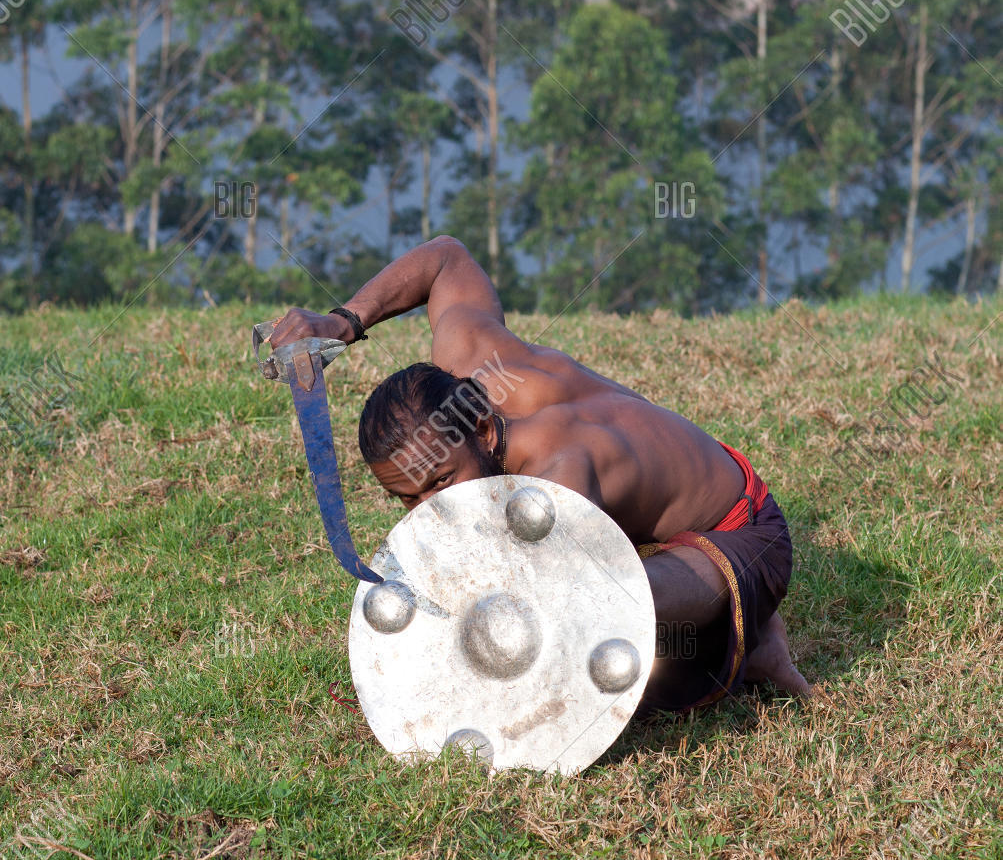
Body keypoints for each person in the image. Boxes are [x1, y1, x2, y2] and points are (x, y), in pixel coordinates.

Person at [270, 236, 811, 713]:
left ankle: (752, 627)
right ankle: (754, 639)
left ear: (482, 433)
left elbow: (516, 606)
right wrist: (339, 324)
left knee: (580, 611)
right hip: (668, 488)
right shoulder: (468, 359)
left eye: (439, 483)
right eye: (407, 498)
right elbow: (444, 257)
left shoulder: (561, 474)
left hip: (743, 529)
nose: (429, 509)